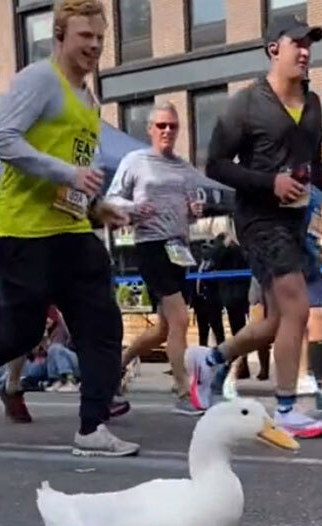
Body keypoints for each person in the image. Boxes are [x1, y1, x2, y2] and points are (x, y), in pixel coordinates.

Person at [186, 14, 322, 438]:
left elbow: (311, 162)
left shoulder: (313, 104)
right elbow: (215, 164)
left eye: (310, 43)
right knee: (297, 306)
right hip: (257, 219)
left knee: (277, 320)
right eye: (298, 43)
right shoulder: (247, 104)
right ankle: (287, 408)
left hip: (295, 219)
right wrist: (268, 182)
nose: (306, 51)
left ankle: (211, 361)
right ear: (275, 47)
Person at [0, 0, 136, 453]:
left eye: (99, 38)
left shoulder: (90, 99)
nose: (93, 46)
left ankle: (92, 428)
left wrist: (96, 205)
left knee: (102, 325)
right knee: (20, 333)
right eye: (83, 37)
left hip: (71, 232)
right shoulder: (40, 79)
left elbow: (79, 170)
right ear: (59, 36)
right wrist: (65, 173)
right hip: (22, 232)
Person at [106, 101, 210, 414]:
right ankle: (181, 390)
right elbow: (112, 199)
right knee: (180, 318)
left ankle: (118, 365)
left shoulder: (183, 167)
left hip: (179, 248)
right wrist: (133, 210)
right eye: (161, 126)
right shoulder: (135, 160)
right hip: (150, 245)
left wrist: (194, 212)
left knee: (165, 329)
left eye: (172, 126)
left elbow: (191, 206)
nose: (167, 131)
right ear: (150, 129)